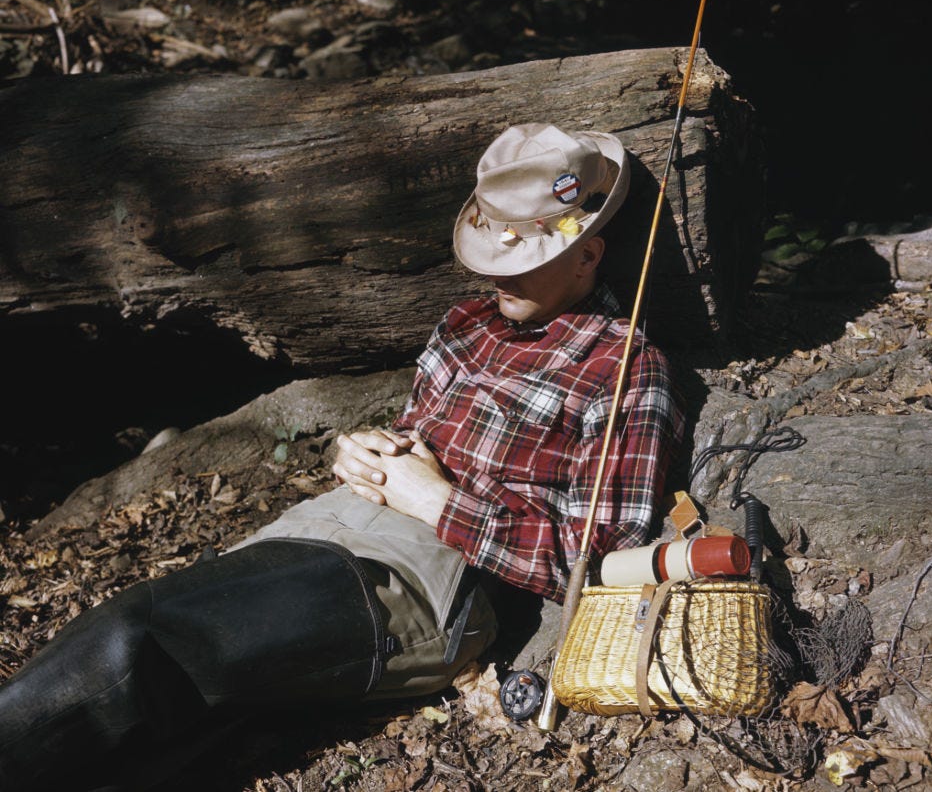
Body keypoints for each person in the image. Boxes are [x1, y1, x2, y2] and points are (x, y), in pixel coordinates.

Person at [0, 123, 685, 790]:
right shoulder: (467, 324)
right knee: (166, 711)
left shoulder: (621, 368)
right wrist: (365, 449)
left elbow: (597, 559)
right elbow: (410, 434)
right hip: (324, 531)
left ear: (588, 255)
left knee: (142, 639)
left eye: (520, 263)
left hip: (422, 583)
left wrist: (435, 501)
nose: (495, 277)